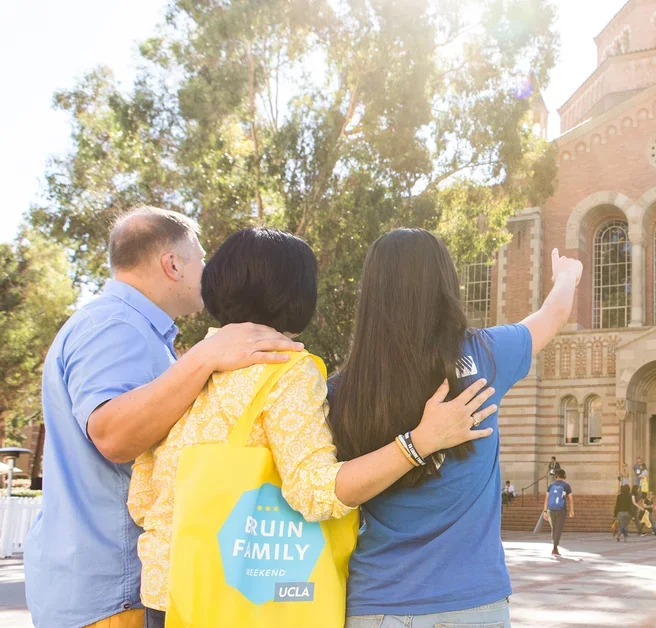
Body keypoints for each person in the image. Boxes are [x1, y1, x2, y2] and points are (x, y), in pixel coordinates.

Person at [127, 228, 501, 628]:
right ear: (296, 294)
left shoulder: (185, 373)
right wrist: (417, 443)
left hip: (168, 594)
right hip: (238, 600)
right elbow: (315, 493)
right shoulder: (288, 371)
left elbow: (142, 496)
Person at [26, 208, 305, 628]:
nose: (207, 270)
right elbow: (113, 435)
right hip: (114, 590)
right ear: (173, 264)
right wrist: (205, 357)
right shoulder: (116, 325)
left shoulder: (125, 326)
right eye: (201, 258)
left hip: (103, 584)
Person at [327, 230, 582, 627]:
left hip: (377, 603)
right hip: (471, 604)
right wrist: (567, 275)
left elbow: (334, 489)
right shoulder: (486, 354)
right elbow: (554, 314)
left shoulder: (342, 390)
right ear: (445, 284)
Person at [545, 469, 575, 556]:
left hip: (551, 510)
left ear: (556, 476)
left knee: (553, 528)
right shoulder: (566, 485)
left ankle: (554, 545)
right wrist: (571, 510)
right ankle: (555, 547)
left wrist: (545, 511)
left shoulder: (550, 485)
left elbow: (546, 498)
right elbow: (570, 499)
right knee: (558, 528)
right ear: (564, 476)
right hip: (561, 510)